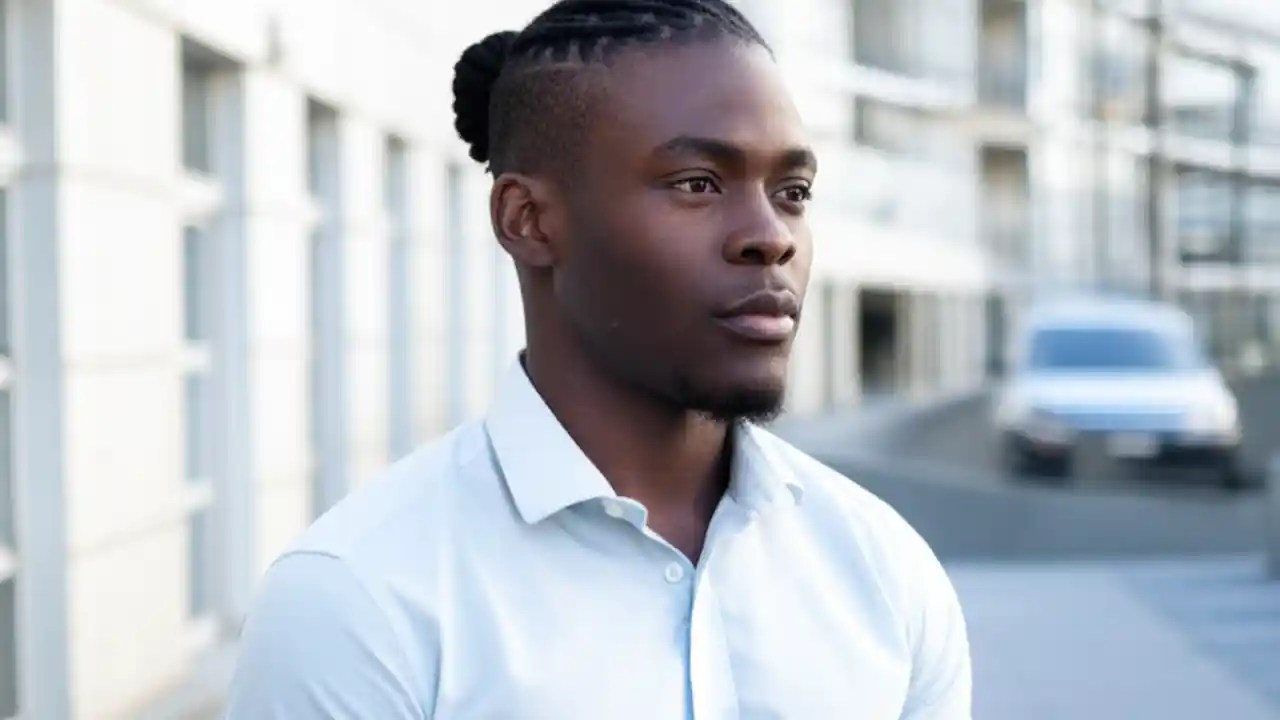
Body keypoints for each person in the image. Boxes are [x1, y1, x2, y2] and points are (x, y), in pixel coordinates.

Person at [226, 1, 971, 717]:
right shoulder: (358, 604)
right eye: (698, 184)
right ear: (527, 220)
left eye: (794, 192)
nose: (771, 236)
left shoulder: (885, 572)